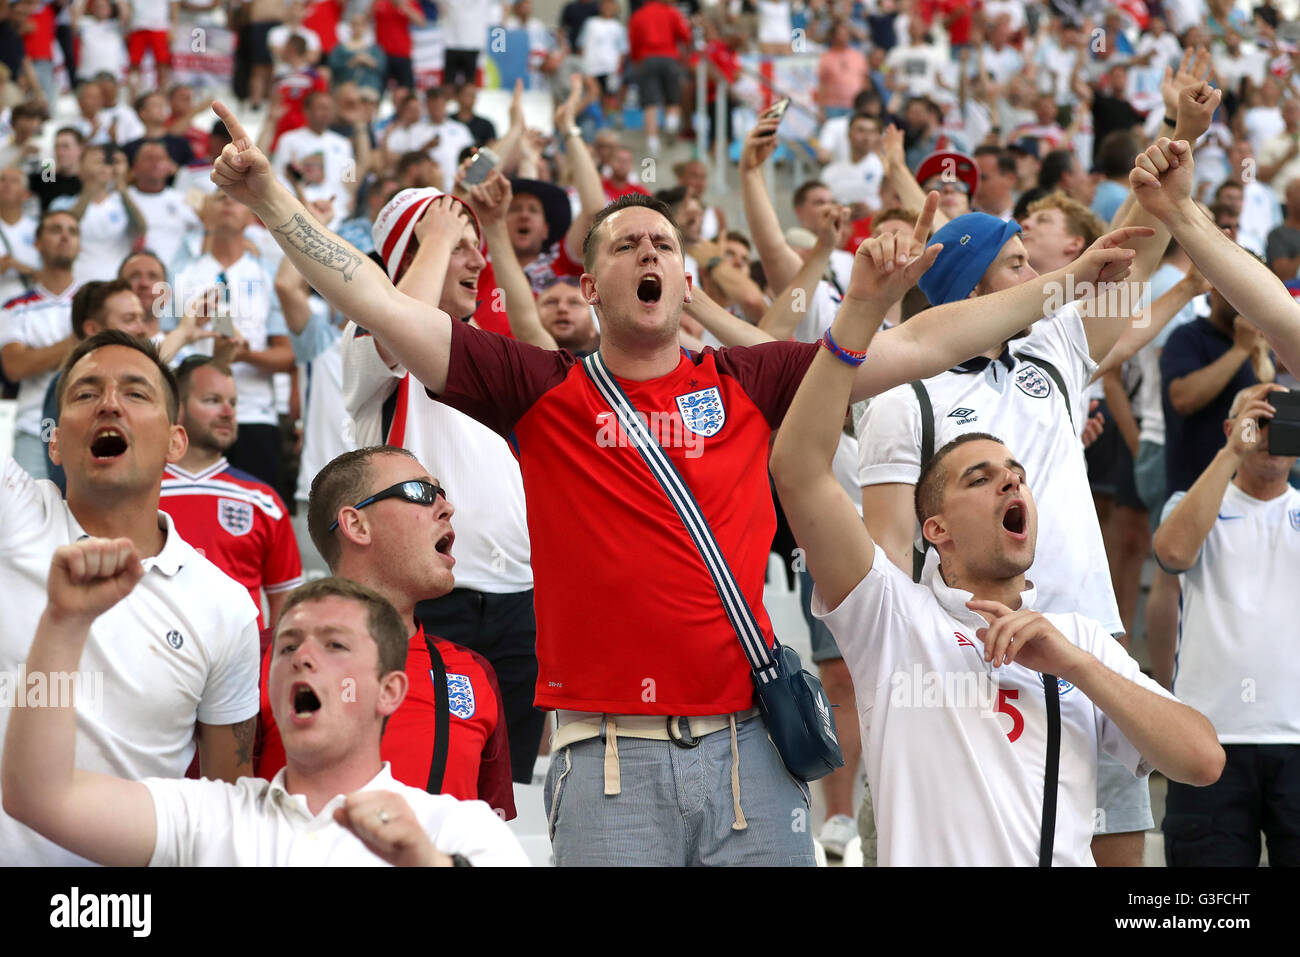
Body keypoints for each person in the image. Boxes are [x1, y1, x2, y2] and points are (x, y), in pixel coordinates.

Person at [205, 101, 1141, 866]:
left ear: (685, 275)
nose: (650, 254)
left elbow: (927, 339)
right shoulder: (540, 391)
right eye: (626, 246)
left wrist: (1069, 284)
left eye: (663, 243)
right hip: (607, 758)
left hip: (751, 752)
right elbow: (369, 298)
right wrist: (270, 198)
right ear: (594, 284)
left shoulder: (751, 379)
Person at [768, 181, 1223, 868]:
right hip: (944, 648)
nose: (1014, 479)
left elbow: (1201, 759)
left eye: (1014, 471)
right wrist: (889, 645)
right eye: (1014, 264)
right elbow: (837, 503)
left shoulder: (1050, 356)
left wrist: (1168, 172)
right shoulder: (906, 398)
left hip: (1078, 657)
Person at [2, 561, 527, 866]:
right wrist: (63, 624)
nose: (302, 654)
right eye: (288, 644)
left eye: (335, 644)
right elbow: (37, 795)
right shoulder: (206, 816)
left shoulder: (456, 829)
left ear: (389, 691)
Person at [0, 330, 260, 865]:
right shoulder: (12, 515)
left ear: (176, 442)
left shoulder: (227, 607)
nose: (109, 403)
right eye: (84, 393)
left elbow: (227, 801)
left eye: (137, 393)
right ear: (52, 440)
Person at [343, 184, 542, 783]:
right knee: (420, 781)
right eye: (460, 248)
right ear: (412, 255)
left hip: (521, 602)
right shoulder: (367, 342)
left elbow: (543, 351)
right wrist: (434, 232)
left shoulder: (492, 351)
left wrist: (483, 232)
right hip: (424, 605)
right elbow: (398, 321)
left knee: (510, 793)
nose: (476, 262)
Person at [255, 446, 516, 818]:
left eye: (442, 495)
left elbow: (490, 839)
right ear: (357, 525)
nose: (446, 508)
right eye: (421, 493)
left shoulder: (475, 673)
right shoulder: (262, 659)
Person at [1153, 383, 1300, 866]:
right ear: (1230, 428)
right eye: (1259, 419)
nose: (1270, 431)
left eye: (1284, 420)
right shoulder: (1191, 504)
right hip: (1209, 741)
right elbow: (1173, 553)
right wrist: (1232, 451)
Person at [160, 357, 303, 629]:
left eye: (233, 403)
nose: (228, 412)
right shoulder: (139, 493)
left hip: (241, 669)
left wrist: (268, 665)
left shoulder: (264, 501)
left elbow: (285, 601)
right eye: (213, 400)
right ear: (176, 410)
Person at [0, 209, 80, 478]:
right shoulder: (14, 307)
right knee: (25, 518)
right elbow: (15, 367)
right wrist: (78, 339)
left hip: (86, 429)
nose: (65, 236)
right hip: (34, 429)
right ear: (37, 243)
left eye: (72, 231)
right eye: (55, 229)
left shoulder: (97, 299)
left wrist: (39, 355)